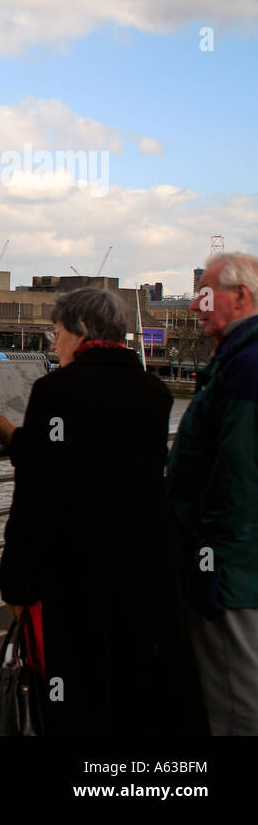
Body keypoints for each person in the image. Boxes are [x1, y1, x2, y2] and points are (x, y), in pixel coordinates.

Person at [0, 287, 202, 735]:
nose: (53, 345)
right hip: (145, 576)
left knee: (75, 701)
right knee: (131, 700)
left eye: (56, 334)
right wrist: (20, 438)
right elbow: (103, 462)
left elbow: (40, 495)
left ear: (79, 332)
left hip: (78, 581)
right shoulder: (152, 394)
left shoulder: (56, 391)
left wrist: (15, 586)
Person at [167, 251, 258, 735]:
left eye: (206, 294)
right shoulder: (240, 359)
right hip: (239, 568)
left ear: (240, 296)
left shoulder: (248, 367)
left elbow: (238, 480)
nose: (196, 307)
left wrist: (208, 563)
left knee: (234, 708)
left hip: (234, 580)